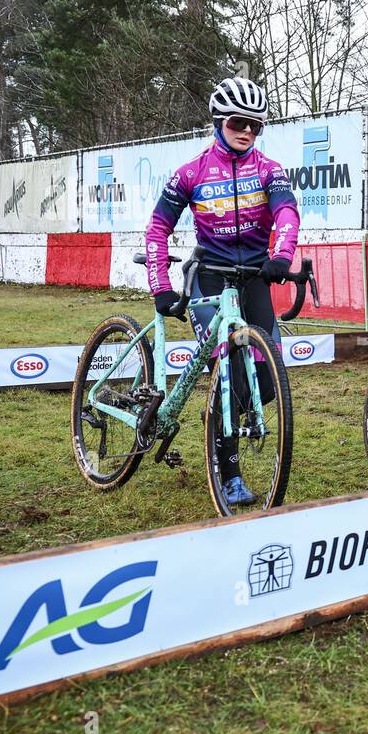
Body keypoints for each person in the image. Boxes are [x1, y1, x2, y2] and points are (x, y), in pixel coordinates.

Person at [145, 76, 301, 505]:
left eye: (256, 124)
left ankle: (218, 411)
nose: (247, 130)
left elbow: (287, 213)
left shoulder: (270, 171)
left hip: (254, 277)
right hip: (209, 277)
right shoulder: (191, 173)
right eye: (238, 121)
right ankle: (229, 471)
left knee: (268, 381)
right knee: (230, 369)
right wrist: (160, 285)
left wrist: (282, 256)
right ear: (219, 121)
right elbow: (158, 228)